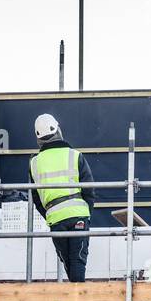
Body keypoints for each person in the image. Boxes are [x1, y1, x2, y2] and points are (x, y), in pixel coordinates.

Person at [29, 112, 94, 282]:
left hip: (55, 218)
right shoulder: (75, 155)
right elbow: (89, 189)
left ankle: (74, 300)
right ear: (58, 130)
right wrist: (86, 212)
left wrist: (50, 214)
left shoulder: (34, 163)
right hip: (78, 214)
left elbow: (36, 198)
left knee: (68, 263)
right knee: (78, 261)